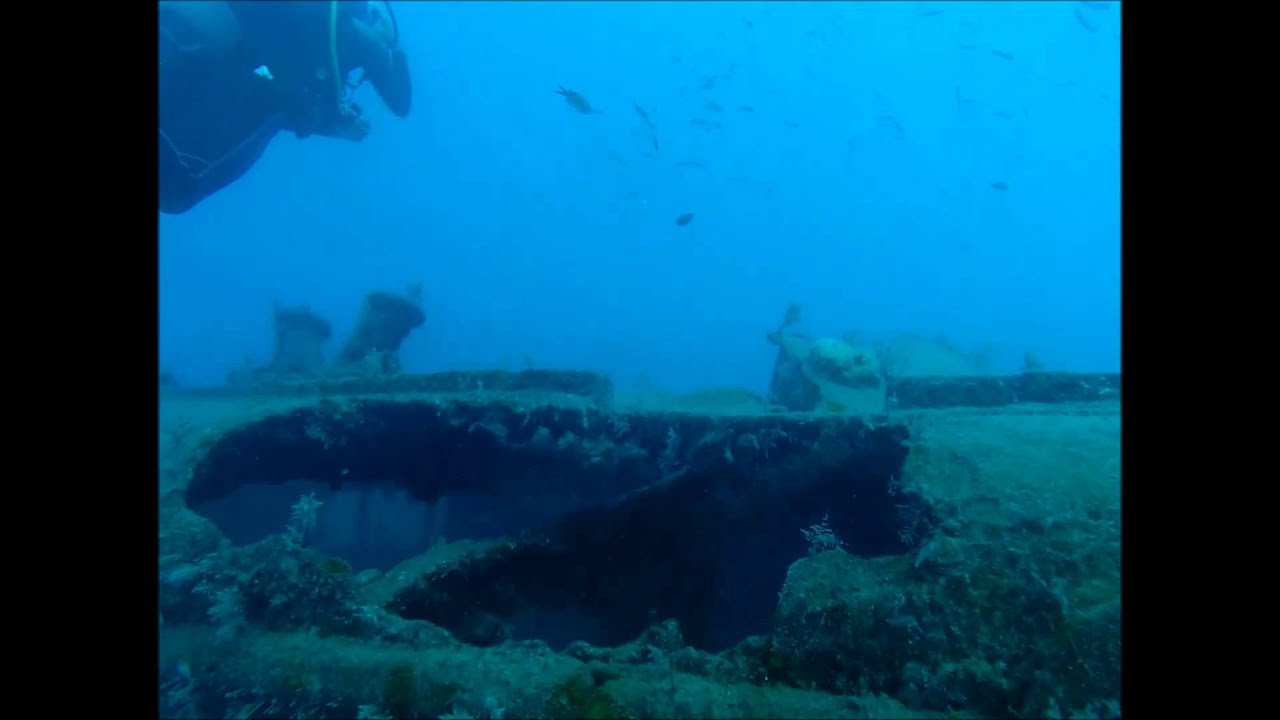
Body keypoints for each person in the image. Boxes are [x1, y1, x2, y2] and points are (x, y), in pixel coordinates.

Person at [159, 1, 413, 214]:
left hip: (199, 49)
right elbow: (400, 103)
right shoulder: (359, 34)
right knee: (178, 190)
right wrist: (395, 46)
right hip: (235, 79)